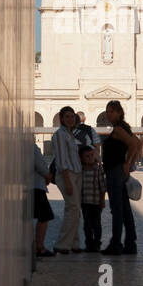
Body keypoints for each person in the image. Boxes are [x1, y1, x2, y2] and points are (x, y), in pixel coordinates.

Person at [101, 100, 142, 255]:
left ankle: (116, 244)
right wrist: (130, 164)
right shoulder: (123, 127)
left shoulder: (118, 129)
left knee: (117, 209)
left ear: (119, 112)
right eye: (107, 111)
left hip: (115, 172)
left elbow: (134, 145)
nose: (108, 114)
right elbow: (138, 143)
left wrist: (127, 163)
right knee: (124, 209)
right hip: (119, 172)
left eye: (111, 111)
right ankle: (130, 243)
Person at [51, 106, 84, 255]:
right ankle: (62, 244)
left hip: (76, 173)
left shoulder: (70, 134)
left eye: (72, 116)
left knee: (75, 209)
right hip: (67, 174)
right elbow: (61, 159)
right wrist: (67, 181)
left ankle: (74, 243)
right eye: (67, 117)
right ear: (62, 118)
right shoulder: (59, 135)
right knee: (73, 208)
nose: (70, 119)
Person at [79, 144, 106, 252]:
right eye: (87, 156)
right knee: (87, 224)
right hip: (85, 202)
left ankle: (97, 243)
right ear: (81, 158)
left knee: (96, 224)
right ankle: (89, 244)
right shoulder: (80, 170)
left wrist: (102, 200)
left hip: (96, 202)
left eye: (91, 155)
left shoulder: (98, 169)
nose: (90, 158)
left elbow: (102, 187)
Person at [31, 141, 56, 257]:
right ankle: (39, 247)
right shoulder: (32, 147)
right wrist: (48, 176)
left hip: (31, 185)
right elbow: (41, 165)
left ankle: (37, 245)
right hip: (36, 186)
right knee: (45, 215)